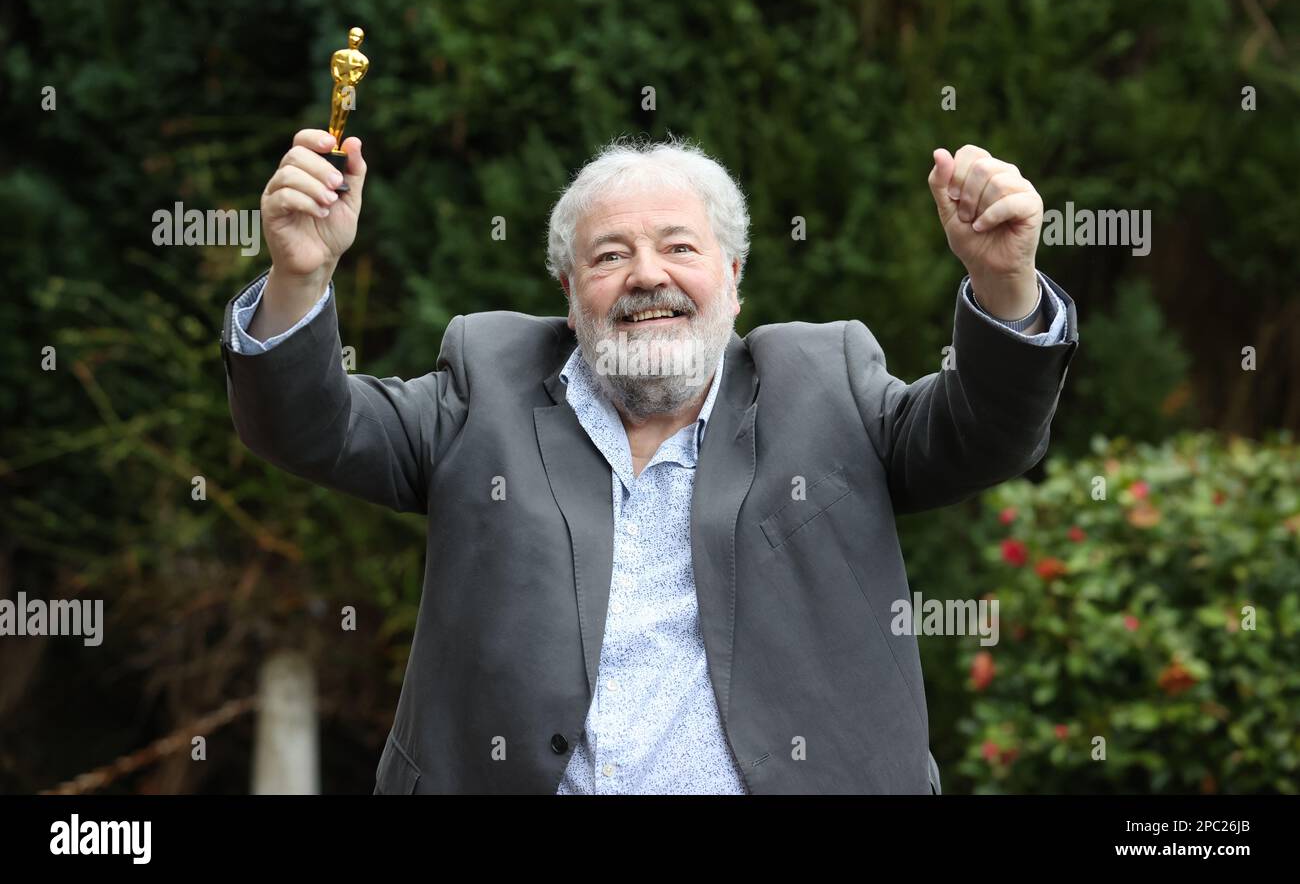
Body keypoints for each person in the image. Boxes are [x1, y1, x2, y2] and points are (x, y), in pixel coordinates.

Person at [219, 131, 1078, 793]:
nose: (646, 276)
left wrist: (1005, 285)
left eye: (679, 247)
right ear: (568, 293)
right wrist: (299, 276)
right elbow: (309, 428)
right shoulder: (484, 386)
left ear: (734, 279)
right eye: (609, 256)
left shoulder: (827, 383)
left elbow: (984, 434)